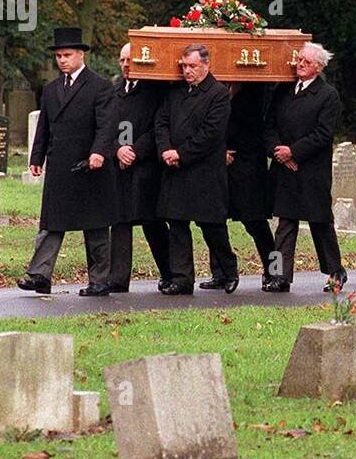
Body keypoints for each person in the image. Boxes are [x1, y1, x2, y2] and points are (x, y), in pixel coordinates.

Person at [19, 27, 119, 296]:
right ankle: (40, 275)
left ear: (81, 55)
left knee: (95, 226)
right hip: (61, 166)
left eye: (67, 55)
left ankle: (99, 281)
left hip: (90, 166)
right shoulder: (51, 89)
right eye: (59, 56)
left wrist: (98, 152)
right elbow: (45, 126)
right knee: (51, 223)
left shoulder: (100, 86)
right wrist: (36, 157)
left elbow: (107, 125)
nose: (62, 60)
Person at [154, 43, 239, 295]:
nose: (187, 71)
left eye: (192, 66)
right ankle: (182, 278)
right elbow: (161, 122)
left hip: (204, 171)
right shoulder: (176, 91)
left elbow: (211, 134)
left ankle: (228, 271)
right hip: (175, 169)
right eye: (184, 66)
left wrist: (181, 153)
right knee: (177, 225)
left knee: (211, 226)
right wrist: (165, 149)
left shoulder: (218, 93)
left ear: (206, 65)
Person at [264, 42, 346, 293]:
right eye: (299, 60)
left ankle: (335, 272)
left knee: (320, 223)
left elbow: (323, 133)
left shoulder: (328, 95)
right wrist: (278, 151)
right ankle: (279, 276)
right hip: (284, 168)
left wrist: (294, 151)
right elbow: (269, 125)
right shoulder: (283, 90)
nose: (300, 65)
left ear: (318, 67)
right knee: (285, 224)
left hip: (312, 171)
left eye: (306, 62)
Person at [108, 43, 173, 293]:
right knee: (120, 221)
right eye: (122, 60)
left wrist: (134, 150)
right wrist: (117, 148)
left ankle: (169, 273)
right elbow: (105, 126)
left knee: (152, 222)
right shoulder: (114, 91)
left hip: (145, 166)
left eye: (130, 60)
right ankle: (118, 278)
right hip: (120, 166)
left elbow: (158, 126)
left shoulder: (155, 91)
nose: (126, 65)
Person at [219, 81, 285, 291]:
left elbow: (260, 126)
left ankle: (275, 269)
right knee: (214, 220)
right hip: (220, 163)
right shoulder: (216, 89)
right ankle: (221, 273)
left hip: (249, 165)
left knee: (255, 223)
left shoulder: (258, 90)